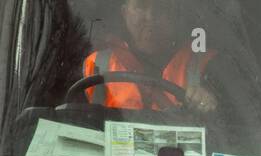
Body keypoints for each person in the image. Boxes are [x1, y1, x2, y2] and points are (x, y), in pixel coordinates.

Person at [82, 0, 216, 113]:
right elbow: (74, 126)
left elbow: (226, 131)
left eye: (161, 7)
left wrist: (209, 106)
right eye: (141, 6)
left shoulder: (208, 65)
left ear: (174, 15)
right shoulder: (96, 65)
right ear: (125, 13)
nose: (150, 18)